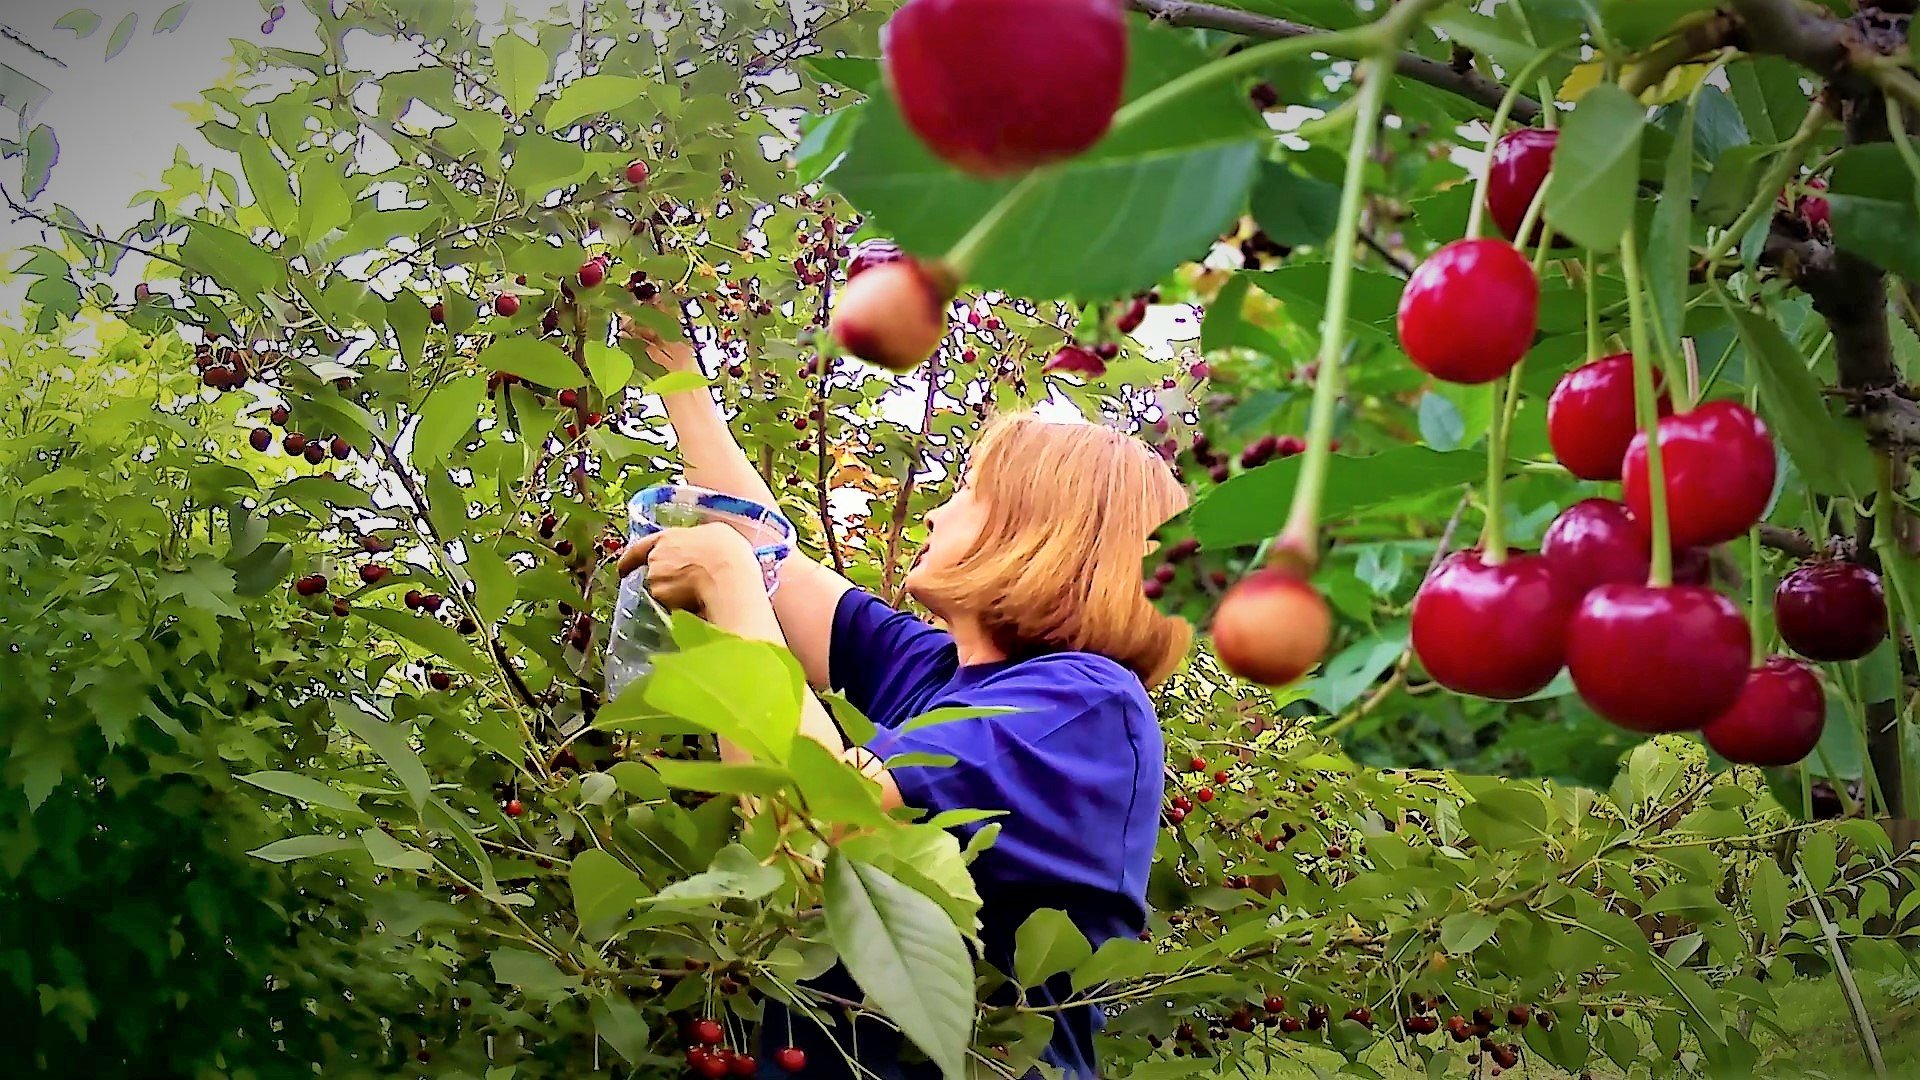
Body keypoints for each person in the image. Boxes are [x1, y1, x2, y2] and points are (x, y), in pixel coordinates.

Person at [617, 316, 1190, 1079]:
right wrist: (674, 366)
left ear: (1038, 533)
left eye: (969, 494)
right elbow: (764, 546)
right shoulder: (939, 674)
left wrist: (724, 579)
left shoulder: (1084, 706)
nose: (934, 513)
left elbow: (801, 832)